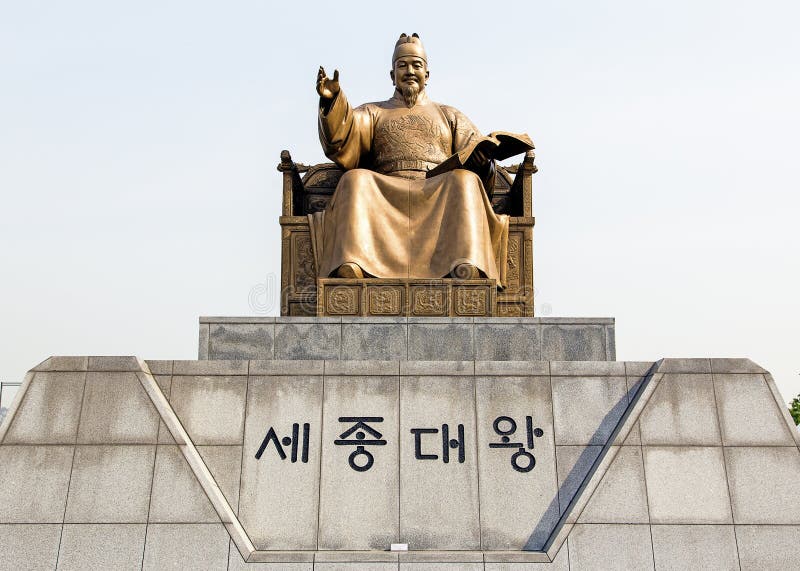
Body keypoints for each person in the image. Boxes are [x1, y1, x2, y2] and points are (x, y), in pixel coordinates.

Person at [311, 33, 509, 287]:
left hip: (437, 190)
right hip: (386, 189)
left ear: (427, 74)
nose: (409, 71)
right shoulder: (374, 111)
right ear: (392, 75)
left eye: (417, 65)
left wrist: (483, 162)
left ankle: (464, 262)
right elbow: (344, 134)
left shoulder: (449, 115)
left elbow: (474, 149)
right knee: (355, 179)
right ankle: (354, 263)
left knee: (465, 180)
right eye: (402, 65)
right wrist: (331, 101)